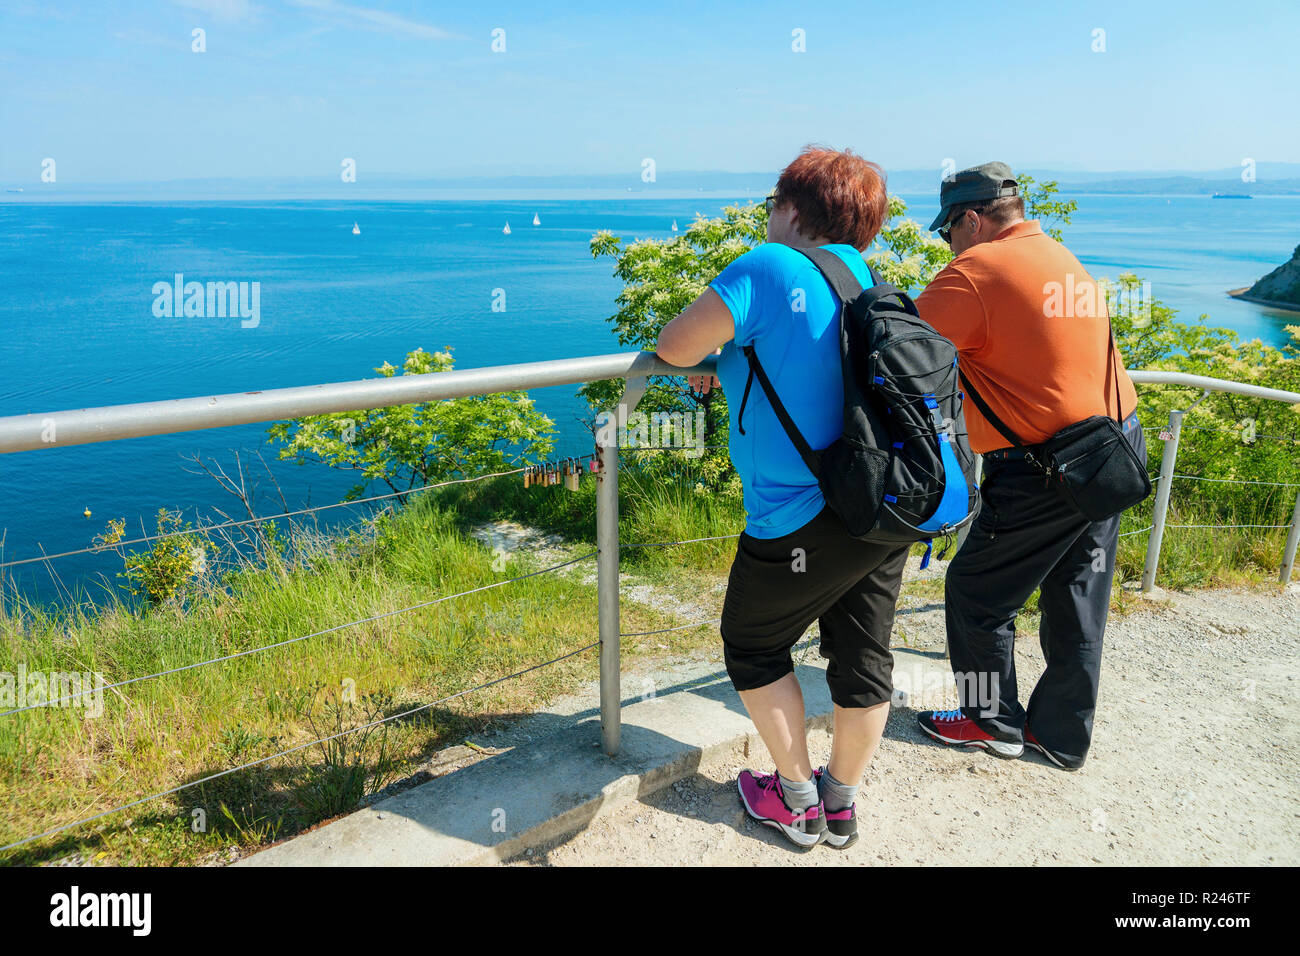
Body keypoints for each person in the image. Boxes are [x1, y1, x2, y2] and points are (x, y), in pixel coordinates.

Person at [654, 146, 907, 848]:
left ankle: (794, 801)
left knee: (754, 646)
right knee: (864, 658)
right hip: (884, 503)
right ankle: (841, 803)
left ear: (793, 210)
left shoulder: (770, 266)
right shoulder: (866, 278)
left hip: (804, 513)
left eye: (772, 203)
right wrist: (734, 362)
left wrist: (712, 358)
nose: (768, 216)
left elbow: (674, 345)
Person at [914, 161, 1146, 770]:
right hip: (1115, 444)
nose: (948, 245)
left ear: (971, 218)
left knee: (978, 591)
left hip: (1050, 467)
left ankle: (988, 721)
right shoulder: (1056, 255)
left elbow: (894, 343)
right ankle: (1062, 737)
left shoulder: (978, 270)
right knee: (1077, 591)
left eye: (947, 231)